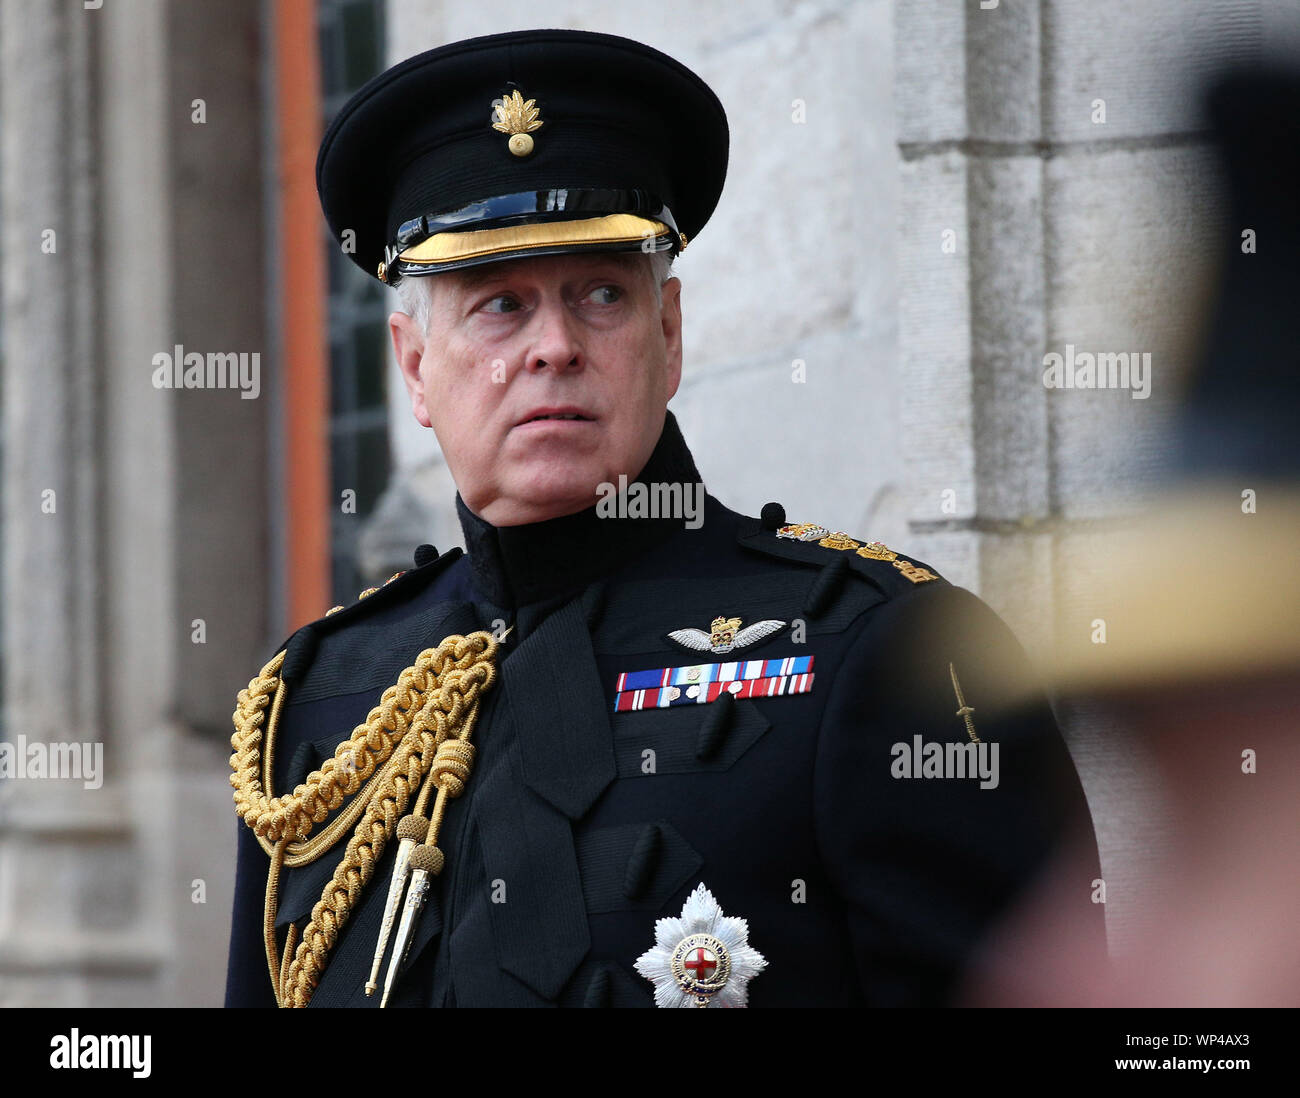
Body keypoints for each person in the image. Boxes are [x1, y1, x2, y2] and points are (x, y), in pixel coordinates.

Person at [224, 27, 1101, 1008]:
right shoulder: (327, 708)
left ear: (669, 335)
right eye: (499, 305)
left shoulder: (883, 656)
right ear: (415, 366)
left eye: (600, 294)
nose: (554, 346)